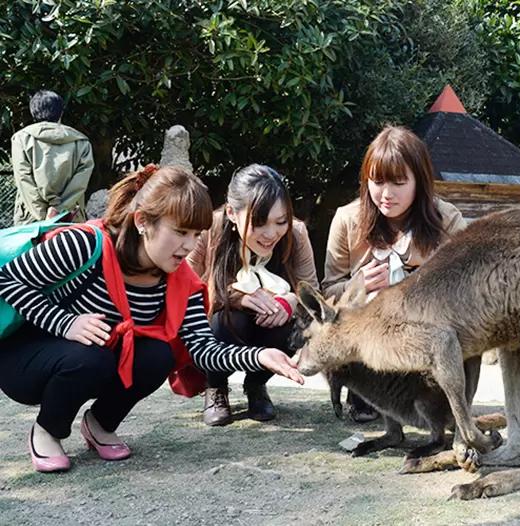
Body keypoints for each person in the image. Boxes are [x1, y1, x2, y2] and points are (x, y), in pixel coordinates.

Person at [0, 165, 303, 473]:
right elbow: (6, 279)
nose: (189, 245)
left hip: (93, 353)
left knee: (160, 354)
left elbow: (202, 347)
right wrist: (66, 323)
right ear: (143, 222)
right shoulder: (85, 245)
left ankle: (100, 424)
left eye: (196, 234)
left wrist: (259, 355)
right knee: (93, 356)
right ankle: (47, 430)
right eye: (180, 232)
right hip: (26, 357)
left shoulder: (179, 279)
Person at [322, 125, 467, 422]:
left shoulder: (447, 220)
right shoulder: (347, 219)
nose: (386, 194)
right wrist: (355, 285)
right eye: (377, 182)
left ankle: (443, 399)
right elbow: (328, 289)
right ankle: (363, 394)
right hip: (366, 336)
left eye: (399, 182)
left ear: (420, 180)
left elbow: (469, 285)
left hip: (428, 331)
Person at [187, 164, 319, 426]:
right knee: (225, 321)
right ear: (232, 214)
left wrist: (291, 302)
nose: (271, 234)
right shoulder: (209, 229)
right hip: (222, 329)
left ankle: (256, 384)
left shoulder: (297, 233)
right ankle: (216, 387)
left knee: (295, 327)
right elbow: (184, 290)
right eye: (258, 223)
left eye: (281, 221)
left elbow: (313, 293)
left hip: (268, 328)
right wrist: (236, 298)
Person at [11, 90, 94, 224]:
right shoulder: (81, 142)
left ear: (33, 112)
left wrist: (44, 215)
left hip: (30, 219)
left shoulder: (21, 139)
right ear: (61, 112)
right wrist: (59, 210)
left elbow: (24, 178)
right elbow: (80, 183)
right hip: (71, 217)